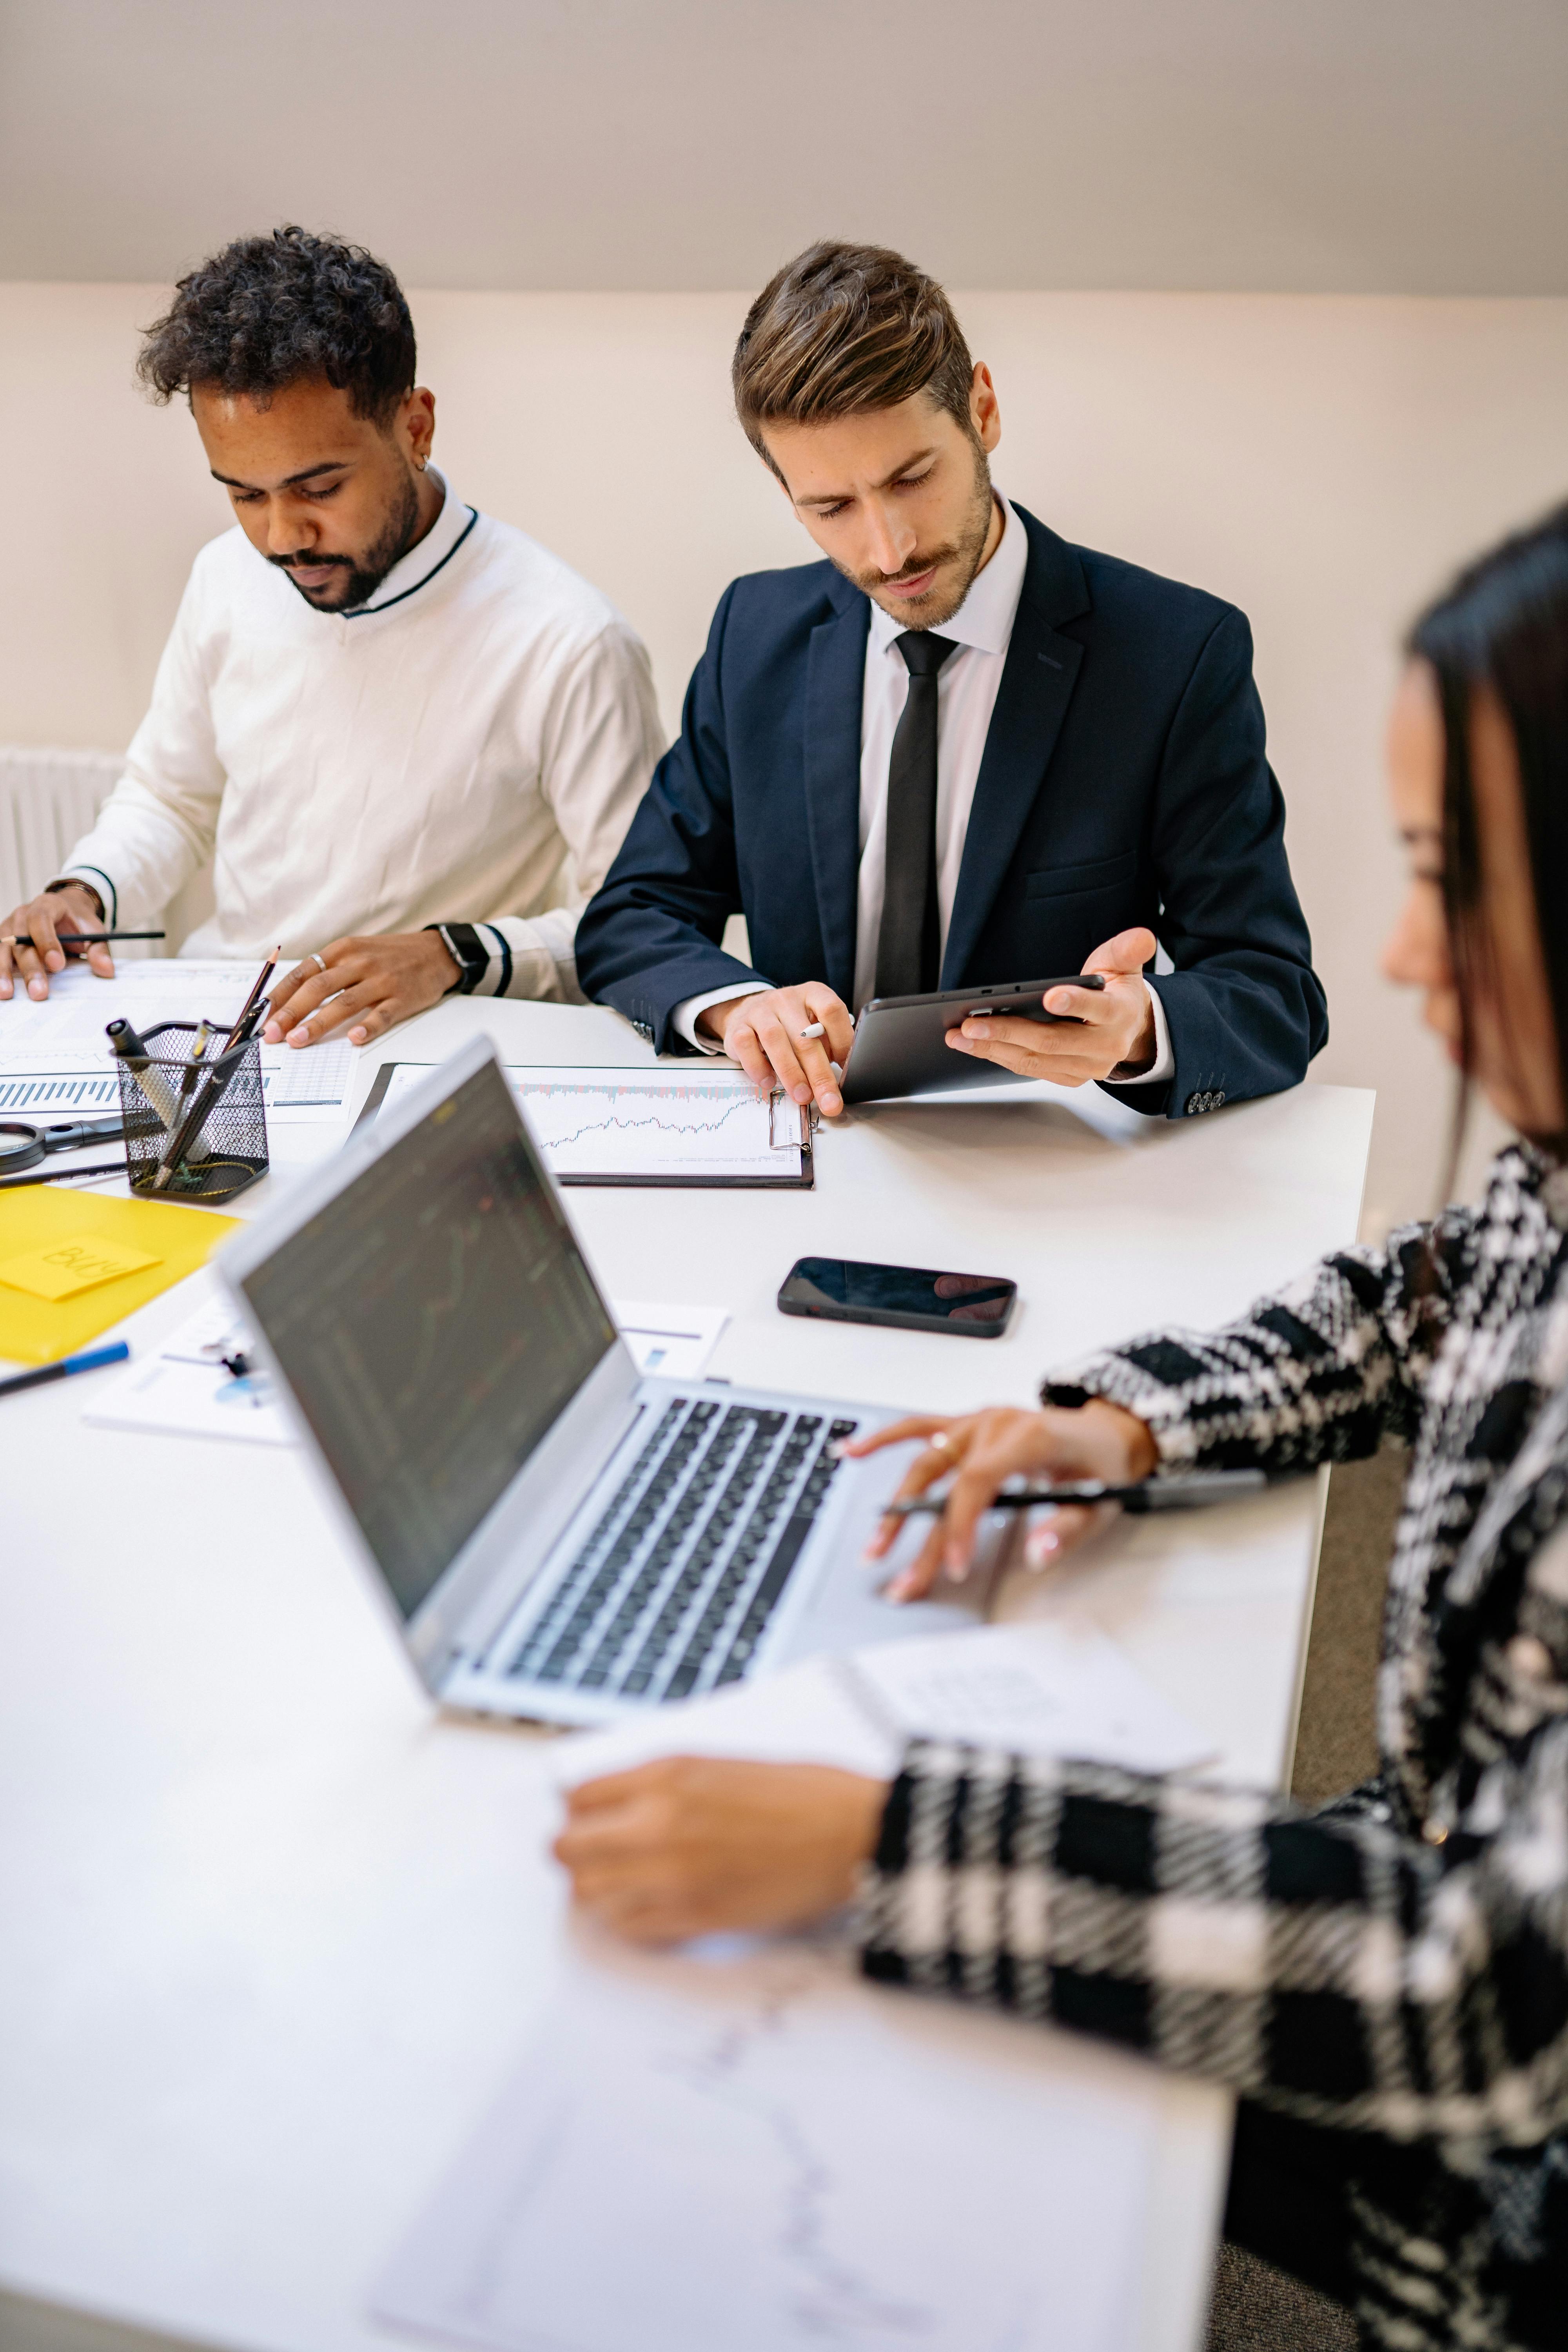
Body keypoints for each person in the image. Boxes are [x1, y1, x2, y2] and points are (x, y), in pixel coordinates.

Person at [557, 507, 1568, 2347]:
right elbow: (1412, 1294)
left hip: (1503, 2172)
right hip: (1422, 1854)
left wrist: (892, 1845)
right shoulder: (1549, 1179)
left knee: (885, 2054)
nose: (1411, 956)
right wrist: (1110, 1418)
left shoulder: (1162, 647)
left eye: (1455, 872)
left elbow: (1478, 1995)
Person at [573, 240, 1326, 1122]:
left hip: (1048, 1179)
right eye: (831, 508)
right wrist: (738, 1007)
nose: (887, 550)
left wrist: (1138, 1028)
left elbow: (1275, 996)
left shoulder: (1176, 654)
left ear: (981, 409)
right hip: (810, 1153)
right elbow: (633, 913)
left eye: (912, 477)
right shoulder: (754, 635)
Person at [0, 226, 663, 1047]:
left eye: (318, 487)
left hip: (423, 1042)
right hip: (228, 1023)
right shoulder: (224, 577)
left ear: (415, 429)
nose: (280, 537)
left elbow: (639, 920)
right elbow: (171, 797)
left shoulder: (571, 641)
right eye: (243, 494)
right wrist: (84, 893)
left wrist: (452, 955)